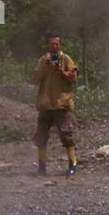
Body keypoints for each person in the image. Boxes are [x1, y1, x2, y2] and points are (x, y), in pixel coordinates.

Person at [32, 33, 79, 176]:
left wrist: (60, 70)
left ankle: (72, 165)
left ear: (60, 45)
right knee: (41, 136)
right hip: (46, 104)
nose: (54, 46)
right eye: (52, 44)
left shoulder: (66, 59)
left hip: (61, 104)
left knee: (66, 135)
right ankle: (42, 167)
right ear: (48, 45)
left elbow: (73, 78)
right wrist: (44, 68)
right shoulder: (43, 60)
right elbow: (36, 80)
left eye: (57, 44)